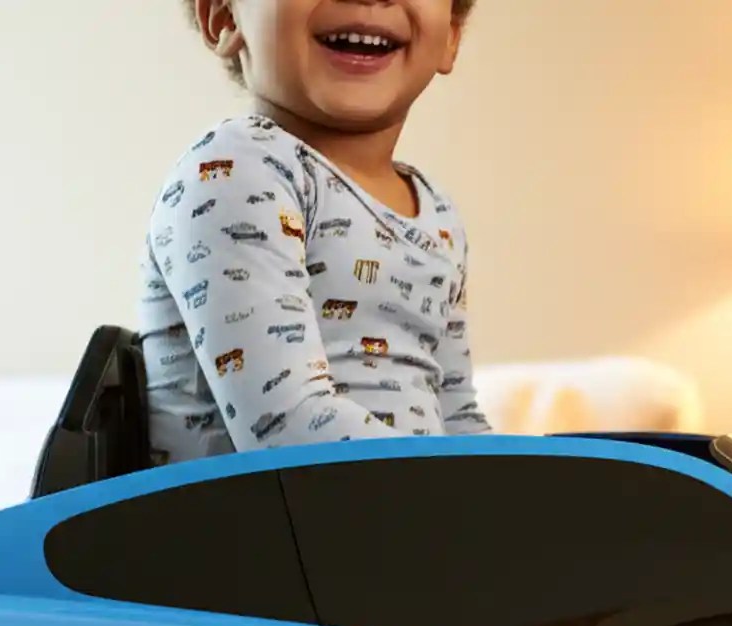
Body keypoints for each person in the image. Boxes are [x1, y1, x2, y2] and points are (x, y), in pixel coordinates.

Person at [137, 0, 489, 465]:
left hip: (399, 517)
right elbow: (287, 425)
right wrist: (460, 490)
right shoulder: (236, 170)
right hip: (261, 525)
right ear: (224, 17)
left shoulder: (438, 214)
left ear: (451, 34)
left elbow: (458, 417)